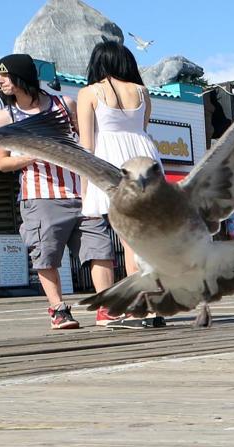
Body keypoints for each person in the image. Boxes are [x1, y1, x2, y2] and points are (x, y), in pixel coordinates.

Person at [0, 54, 114, 331]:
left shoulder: (64, 103)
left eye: (5, 75)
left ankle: (106, 307)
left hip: (81, 190)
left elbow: (87, 142)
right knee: (46, 254)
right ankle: (58, 310)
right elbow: (2, 163)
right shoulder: (3, 117)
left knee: (100, 249)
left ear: (22, 77)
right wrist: (34, 155)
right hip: (39, 196)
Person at [75, 39, 166, 328]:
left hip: (111, 163)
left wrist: (86, 187)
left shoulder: (90, 92)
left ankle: (144, 306)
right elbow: (143, 129)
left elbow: (86, 144)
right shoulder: (142, 91)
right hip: (145, 160)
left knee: (130, 242)